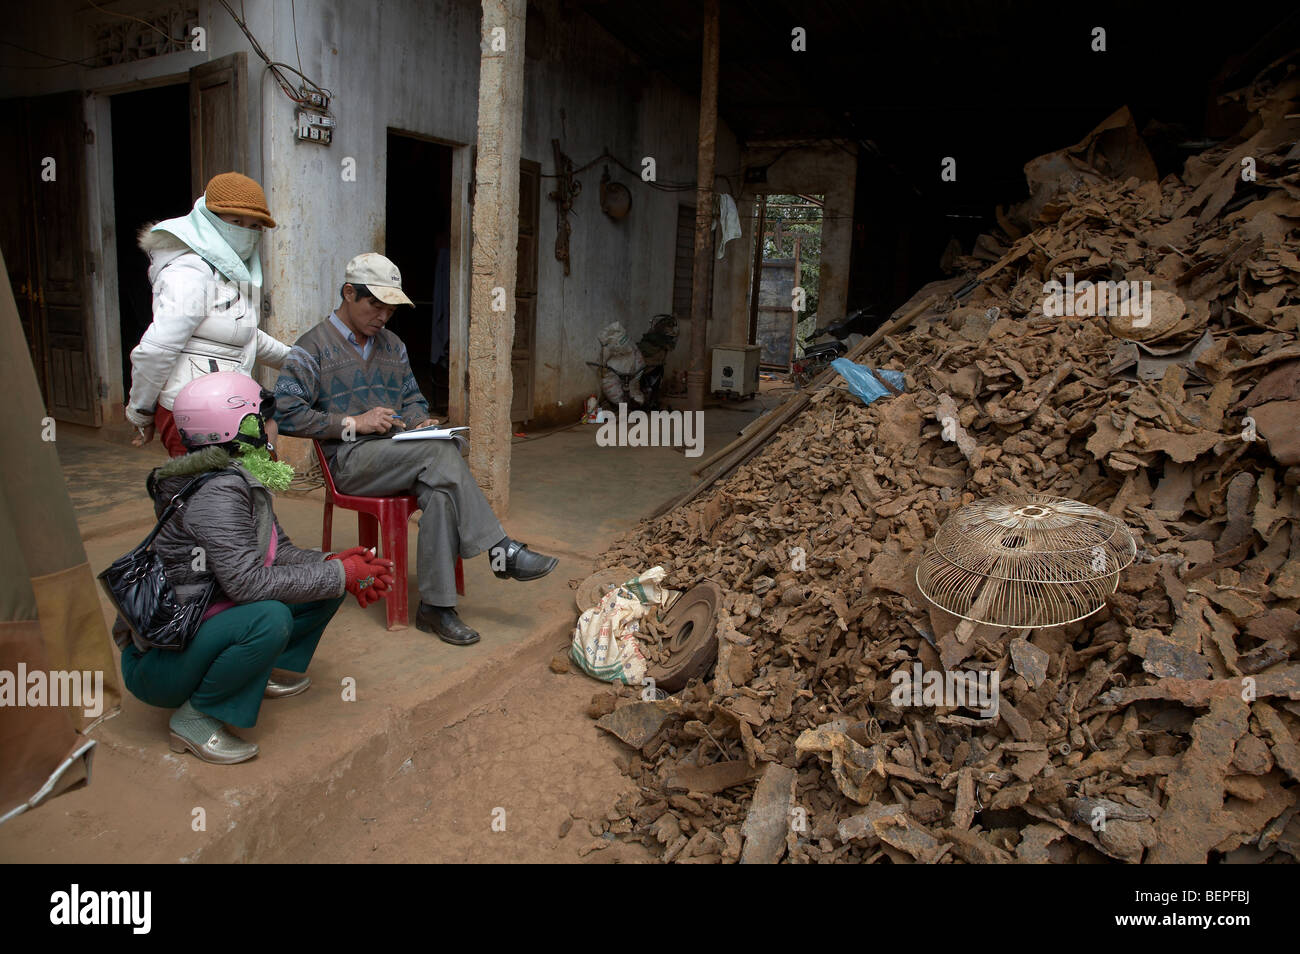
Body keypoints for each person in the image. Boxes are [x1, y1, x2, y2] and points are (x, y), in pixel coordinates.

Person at [274, 253, 558, 646]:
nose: (383, 317)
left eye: (389, 309)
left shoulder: (393, 346)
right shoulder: (311, 348)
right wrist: (353, 423)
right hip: (351, 461)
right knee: (439, 457)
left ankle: (436, 608)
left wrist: (419, 421)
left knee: (442, 486)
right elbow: (287, 415)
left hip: (399, 454)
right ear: (348, 292)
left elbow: (412, 399)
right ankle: (501, 549)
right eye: (375, 305)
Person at [114, 372, 395, 764]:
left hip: (195, 632)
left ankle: (253, 672)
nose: (275, 426)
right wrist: (338, 573)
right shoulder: (218, 493)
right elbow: (247, 583)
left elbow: (279, 554)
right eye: (267, 418)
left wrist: (336, 564)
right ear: (242, 428)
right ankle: (196, 718)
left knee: (323, 582)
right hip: (157, 668)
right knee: (269, 617)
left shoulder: (234, 477)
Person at [125, 172, 291, 457]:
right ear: (208, 219)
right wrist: (141, 411)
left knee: (243, 493)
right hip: (196, 411)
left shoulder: (231, 272)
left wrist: (297, 360)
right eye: (235, 221)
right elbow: (158, 348)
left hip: (233, 407)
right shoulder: (191, 271)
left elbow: (243, 334)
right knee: (209, 496)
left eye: (254, 226)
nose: (244, 231)